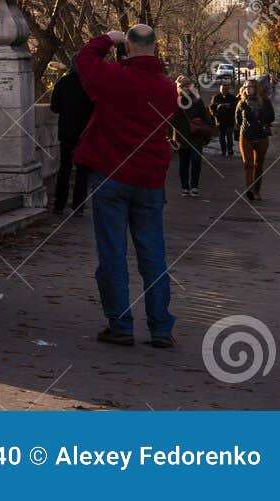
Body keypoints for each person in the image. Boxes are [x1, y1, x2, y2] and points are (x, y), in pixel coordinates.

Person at [72, 24, 177, 348]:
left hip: (111, 176)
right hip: (150, 180)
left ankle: (121, 325)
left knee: (113, 253)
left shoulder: (113, 78)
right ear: (157, 49)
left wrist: (108, 38)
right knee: (153, 255)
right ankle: (160, 328)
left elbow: (84, 60)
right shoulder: (168, 88)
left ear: (127, 48)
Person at [49, 66, 93, 213]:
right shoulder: (90, 84)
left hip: (66, 131)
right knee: (83, 170)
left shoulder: (62, 83)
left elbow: (54, 107)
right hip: (85, 133)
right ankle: (78, 206)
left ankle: (59, 205)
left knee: (64, 168)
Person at [170, 74, 214, 196]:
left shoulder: (197, 100)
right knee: (183, 163)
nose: (186, 88)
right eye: (183, 86)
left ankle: (194, 186)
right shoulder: (175, 101)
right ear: (178, 87)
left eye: (188, 85)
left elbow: (206, 118)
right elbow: (170, 121)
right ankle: (185, 187)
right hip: (181, 137)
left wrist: (204, 128)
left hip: (196, 136)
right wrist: (170, 138)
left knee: (196, 162)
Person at [236, 77, 276, 202]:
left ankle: (256, 191)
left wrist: (261, 117)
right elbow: (237, 119)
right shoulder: (242, 102)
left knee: (258, 165)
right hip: (246, 135)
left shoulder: (265, 101)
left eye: (250, 87)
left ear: (256, 88)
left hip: (261, 136)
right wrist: (242, 128)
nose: (248, 89)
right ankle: (249, 190)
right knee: (248, 164)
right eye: (246, 87)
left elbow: (271, 117)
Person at [212, 79, 238, 157]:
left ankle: (230, 149)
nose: (224, 91)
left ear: (228, 89)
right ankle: (223, 150)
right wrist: (216, 112)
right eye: (223, 89)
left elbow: (236, 107)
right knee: (221, 137)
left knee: (229, 136)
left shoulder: (232, 97)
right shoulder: (216, 97)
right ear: (220, 89)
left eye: (226, 89)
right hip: (220, 120)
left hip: (229, 120)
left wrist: (229, 106)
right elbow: (212, 107)